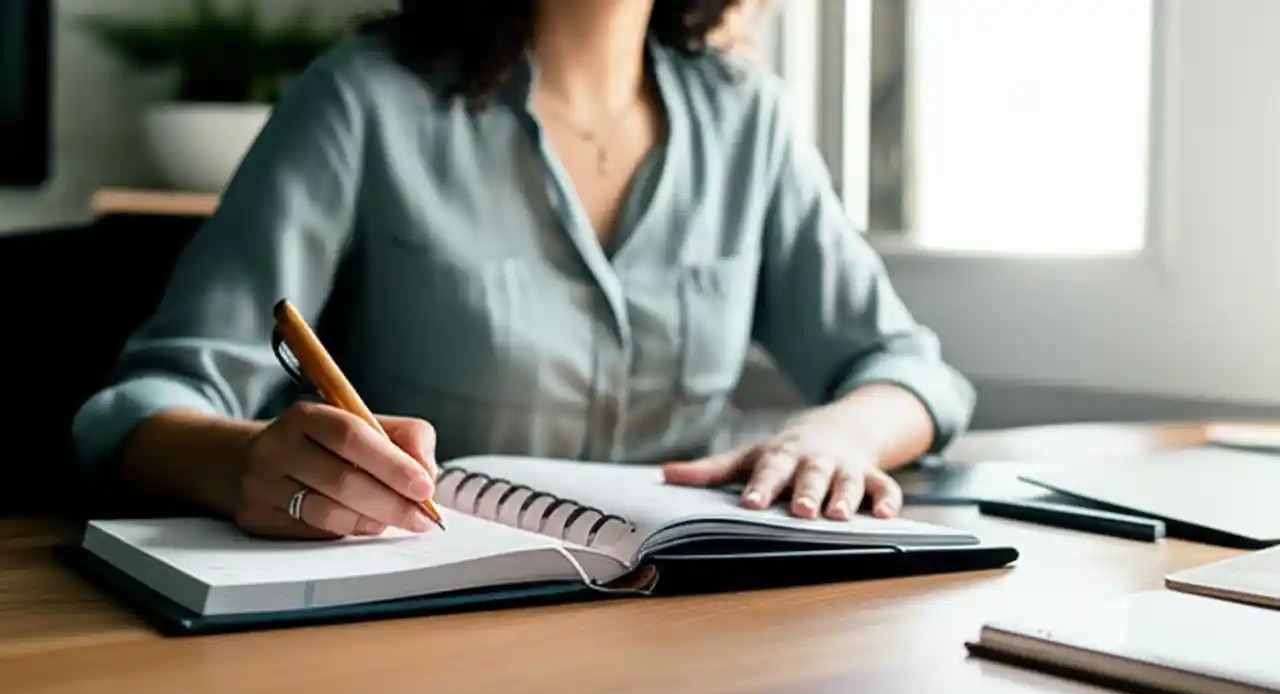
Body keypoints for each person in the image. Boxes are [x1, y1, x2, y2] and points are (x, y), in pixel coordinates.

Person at [71, 0, 975, 540]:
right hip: (424, 623)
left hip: (693, 623)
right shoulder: (362, 100)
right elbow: (139, 406)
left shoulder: (750, 122)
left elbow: (910, 369)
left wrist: (841, 436)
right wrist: (245, 464)